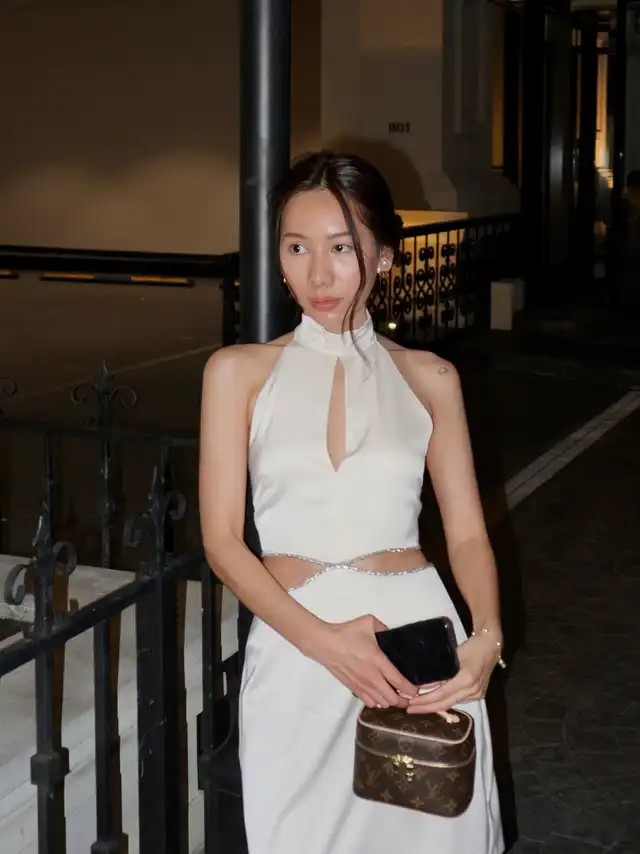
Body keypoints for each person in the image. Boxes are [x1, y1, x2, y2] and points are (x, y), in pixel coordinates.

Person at [199, 151, 504, 854]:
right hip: (297, 650)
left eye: (341, 248)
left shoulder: (430, 377)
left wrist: (486, 640)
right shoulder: (237, 372)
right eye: (297, 247)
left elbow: (466, 535)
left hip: (417, 651)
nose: (318, 275)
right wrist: (326, 645)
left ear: (384, 256)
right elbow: (221, 541)